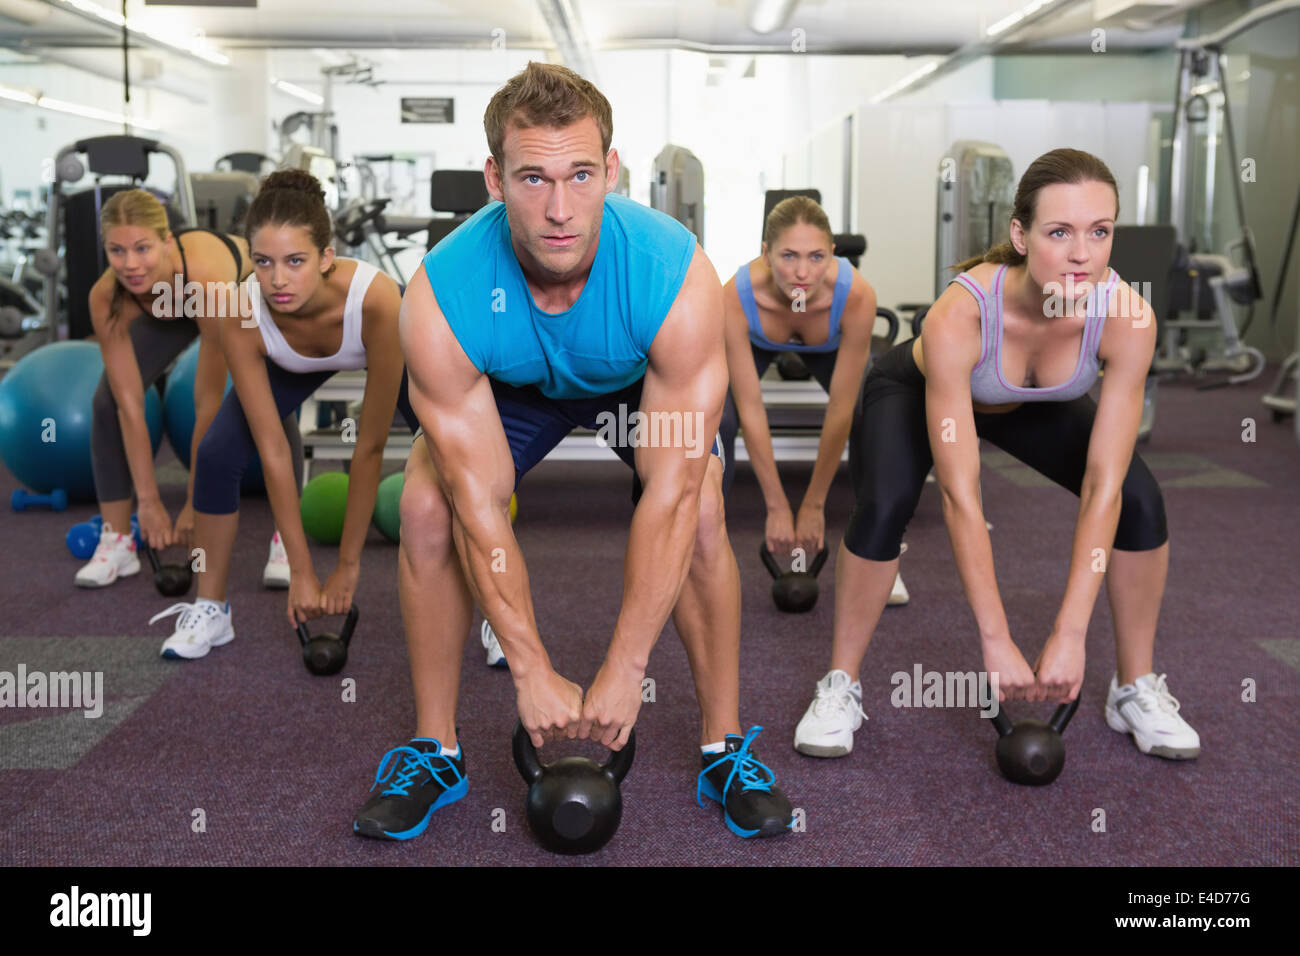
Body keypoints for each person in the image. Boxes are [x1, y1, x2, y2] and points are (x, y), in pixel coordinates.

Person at [354, 61, 794, 842]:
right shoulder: (444, 293)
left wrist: (626, 670)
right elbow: (476, 506)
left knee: (700, 511)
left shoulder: (672, 273)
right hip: (514, 387)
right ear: (495, 177)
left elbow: (671, 494)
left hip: (635, 383)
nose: (559, 208)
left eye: (580, 174)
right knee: (425, 505)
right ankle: (435, 747)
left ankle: (724, 747)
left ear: (610, 170)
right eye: (532, 178)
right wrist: (528, 668)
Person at [793, 148, 1200, 762]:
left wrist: (1070, 632)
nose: (1082, 254)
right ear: (1020, 233)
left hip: (1033, 402)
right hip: (913, 391)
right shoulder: (961, 315)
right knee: (883, 510)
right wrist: (996, 640)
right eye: (1059, 232)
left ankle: (1133, 686)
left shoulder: (1126, 318)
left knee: (1141, 500)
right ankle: (840, 684)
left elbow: (1103, 489)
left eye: (1100, 232)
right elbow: (962, 496)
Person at [148, 169, 417, 660]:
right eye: (263, 262)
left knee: (453, 460)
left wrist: (347, 566)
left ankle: (491, 612)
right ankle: (211, 608)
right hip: (293, 361)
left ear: (326, 258)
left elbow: (370, 447)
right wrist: (302, 569)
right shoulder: (241, 312)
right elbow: (272, 448)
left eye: (296, 261)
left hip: (385, 346)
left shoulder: (378, 300)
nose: (277, 280)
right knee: (217, 453)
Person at [76, 188, 301, 590]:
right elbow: (130, 404)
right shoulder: (106, 297)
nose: (130, 264)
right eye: (117, 251)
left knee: (268, 397)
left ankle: (287, 540)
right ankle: (117, 539)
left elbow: (207, 400)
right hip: (166, 304)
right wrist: (148, 502)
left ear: (165, 240)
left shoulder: (207, 277)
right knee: (107, 401)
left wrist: (197, 500)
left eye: (142, 248)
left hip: (238, 296)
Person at [718, 196, 909, 606]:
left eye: (816, 256)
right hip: (759, 341)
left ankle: (879, 554)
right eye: (789, 255)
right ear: (766, 254)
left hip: (827, 347)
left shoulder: (856, 296)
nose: (803, 272)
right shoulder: (734, 296)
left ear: (833, 255)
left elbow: (839, 407)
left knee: (871, 415)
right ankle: (704, 555)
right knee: (721, 419)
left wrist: (813, 504)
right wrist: (776, 506)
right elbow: (752, 406)